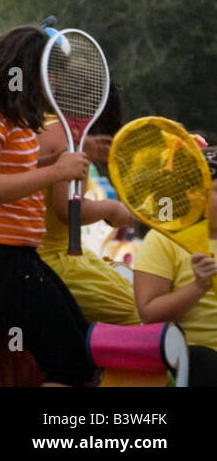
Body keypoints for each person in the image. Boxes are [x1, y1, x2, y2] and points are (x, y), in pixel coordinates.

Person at [0, 25, 95, 387]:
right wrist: (57, 170)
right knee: (70, 365)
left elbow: (15, 173)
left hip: (16, 253)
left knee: (84, 347)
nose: (53, 89)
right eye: (51, 78)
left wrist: (56, 164)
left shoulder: (11, 115)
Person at [35, 85, 139, 325]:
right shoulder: (69, 139)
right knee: (135, 313)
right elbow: (67, 211)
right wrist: (111, 209)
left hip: (40, 257)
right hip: (53, 261)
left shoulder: (44, 127)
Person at [133, 149, 217, 386]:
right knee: (205, 361)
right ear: (195, 193)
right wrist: (198, 287)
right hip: (193, 359)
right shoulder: (164, 239)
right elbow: (149, 313)